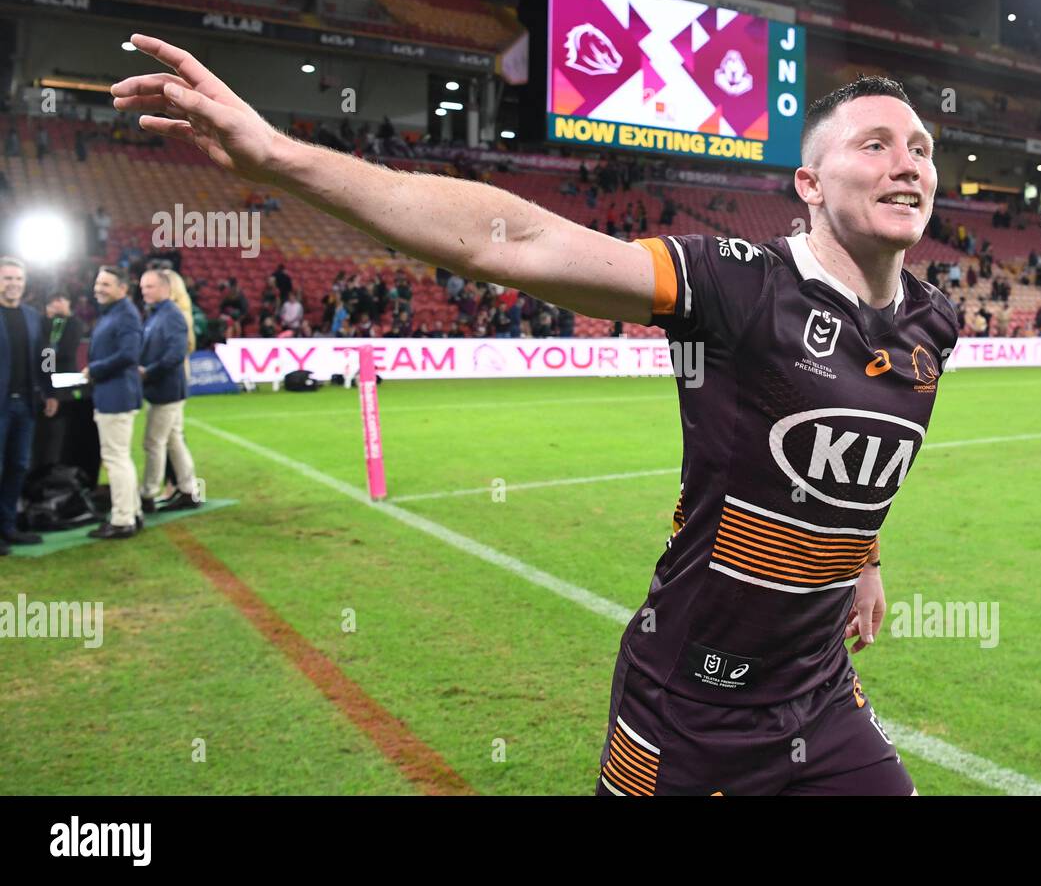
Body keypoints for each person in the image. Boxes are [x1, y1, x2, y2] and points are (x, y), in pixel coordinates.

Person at [113, 40, 955, 796]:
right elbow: (510, 241)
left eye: (920, 148)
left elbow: (845, 450)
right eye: (873, 144)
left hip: (820, 692)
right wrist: (279, 157)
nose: (906, 163)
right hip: (689, 705)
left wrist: (866, 558)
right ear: (808, 183)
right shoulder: (740, 285)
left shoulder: (934, 322)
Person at [0, 258, 57, 553]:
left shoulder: (33, 317)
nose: (13, 284)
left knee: (18, 466)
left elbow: (45, 355)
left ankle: (8, 527)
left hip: (25, 406)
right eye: (7, 278)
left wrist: (49, 391)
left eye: (18, 279)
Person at [85, 265, 143, 539]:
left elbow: (129, 354)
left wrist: (94, 370)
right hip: (114, 392)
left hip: (116, 394)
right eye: (98, 283)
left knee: (115, 458)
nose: (99, 288)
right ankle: (133, 512)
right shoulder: (115, 313)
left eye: (106, 284)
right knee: (120, 457)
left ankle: (122, 520)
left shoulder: (125, 315)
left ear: (122, 289)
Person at [138, 269, 201, 513]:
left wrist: (148, 371)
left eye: (150, 286)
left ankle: (148, 494)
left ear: (166, 289)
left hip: (167, 389)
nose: (145, 291)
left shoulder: (171, 315)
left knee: (154, 442)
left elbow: (175, 354)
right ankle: (188, 490)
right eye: (143, 287)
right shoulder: (157, 314)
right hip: (164, 387)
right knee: (174, 440)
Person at [31, 291, 85, 472]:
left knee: (58, 427)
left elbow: (65, 351)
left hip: (64, 383)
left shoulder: (75, 324)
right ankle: (40, 465)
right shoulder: (45, 323)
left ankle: (54, 466)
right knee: (42, 426)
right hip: (46, 382)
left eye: (59, 300)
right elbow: (41, 346)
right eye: (52, 301)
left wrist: (46, 356)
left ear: (68, 302)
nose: (56, 304)